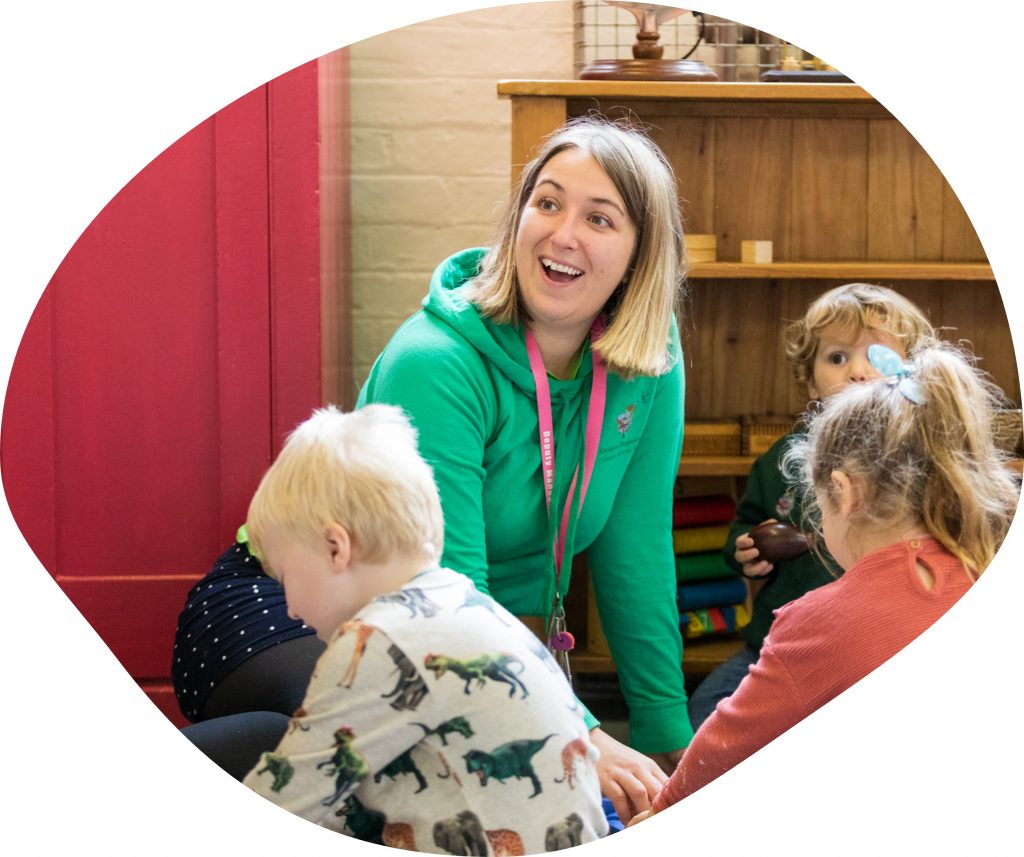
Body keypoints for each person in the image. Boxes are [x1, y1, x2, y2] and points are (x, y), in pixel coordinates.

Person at [173, 114, 691, 822]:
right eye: (547, 202)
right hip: (291, 598)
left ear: (639, 255)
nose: (562, 233)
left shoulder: (649, 359)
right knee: (384, 762)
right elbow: (447, 594)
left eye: (600, 218)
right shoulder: (437, 362)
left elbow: (638, 553)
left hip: (467, 637)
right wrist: (580, 730)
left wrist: (671, 749)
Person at [630, 338, 1020, 815]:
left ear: (843, 492)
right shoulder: (978, 570)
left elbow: (726, 743)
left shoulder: (818, 620)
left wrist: (662, 808)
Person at [236, 403, 608, 848]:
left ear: (336, 547)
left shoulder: (382, 639)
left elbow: (282, 801)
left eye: (284, 578)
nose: (290, 609)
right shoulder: (465, 603)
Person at [686, 283, 938, 730]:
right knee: (705, 717)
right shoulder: (782, 458)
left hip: (880, 649)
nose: (858, 372)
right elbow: (744, 527)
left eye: (876, 356)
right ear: (809, 379)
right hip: (775, 644)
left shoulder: (920, 457)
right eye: (837, 358)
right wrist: (743, 550)